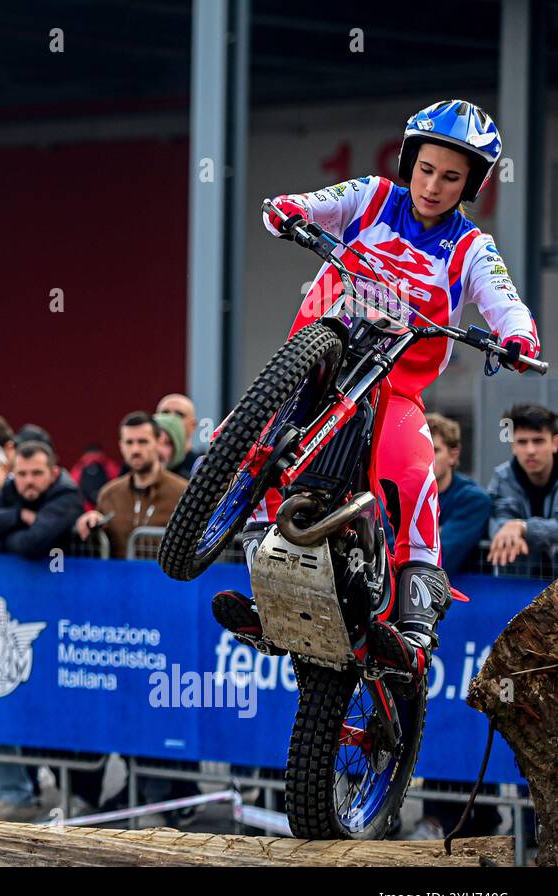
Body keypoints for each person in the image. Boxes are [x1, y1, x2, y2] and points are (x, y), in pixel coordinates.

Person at [214, 100, 540, 683]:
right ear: (409, 162)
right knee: (242, 439)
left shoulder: (471, 247)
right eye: (426, 169)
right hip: (316, 359)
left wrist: (517, 337)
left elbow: (503, 299)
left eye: (451, 177)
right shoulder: (370, 196)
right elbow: (312, 205)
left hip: (394, 387)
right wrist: (286, 210)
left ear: (470, 184)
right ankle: (270, 589)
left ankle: (416, 622)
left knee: (413, 471)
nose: (434, 186)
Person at [76, 413, 188, 558]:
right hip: (118, 579)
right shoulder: (109, 493)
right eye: (129, 442)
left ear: (158, 442)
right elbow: (96, 547)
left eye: (142, 442)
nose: (135, 450)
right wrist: (90, 520)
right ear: (121, 445)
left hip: (166, 579)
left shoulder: (183, 493)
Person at [0, 441, 83, 558]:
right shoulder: (11, 488)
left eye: (37, 473)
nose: (29, 481)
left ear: (53, 474)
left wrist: (1, 533)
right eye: (22, 474)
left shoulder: (67, 495)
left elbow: (32, 543)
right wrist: (19, 515)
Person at [487, 404, 558, 577]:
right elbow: (497, 525)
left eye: (538, 441)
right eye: (522, 442)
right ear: (513, 446)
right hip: (520, 583)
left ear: (555, 443)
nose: (530, 450)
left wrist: (523, 527)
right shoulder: (503, 477)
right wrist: (508, 528)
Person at [425, 413, 491, 575]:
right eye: (421, 448)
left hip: (465, 595)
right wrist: (434, 535)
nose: (426, 457)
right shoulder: (398, 494)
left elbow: (443, 558)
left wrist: (413, 540)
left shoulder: (474, 500)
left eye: (435, 450)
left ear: (453, 456)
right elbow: (385, 550)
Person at [156, 393, 200, 478]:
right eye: (165, 413)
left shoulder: (200, 468)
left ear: (193, 425)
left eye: (179, 414)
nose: (171, 419)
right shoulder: (138, 466)